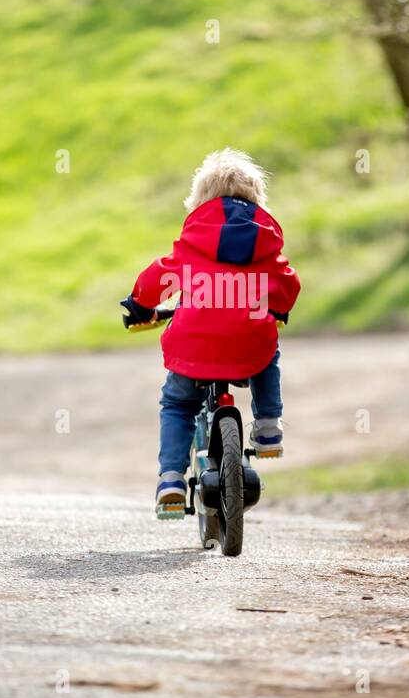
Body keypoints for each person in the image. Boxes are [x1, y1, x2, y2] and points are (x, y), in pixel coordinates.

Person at [121, 148, 301, 519]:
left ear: (198, 202)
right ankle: (268, 425)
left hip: (195, 344)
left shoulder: (193, 241)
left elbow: (158, 277)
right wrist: (277, 308)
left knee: (178, 403)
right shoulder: (264, 242)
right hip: (248, 345)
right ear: (256, 199)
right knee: (268, 348)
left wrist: (140, 305)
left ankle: (171, 479)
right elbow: (288, 283)